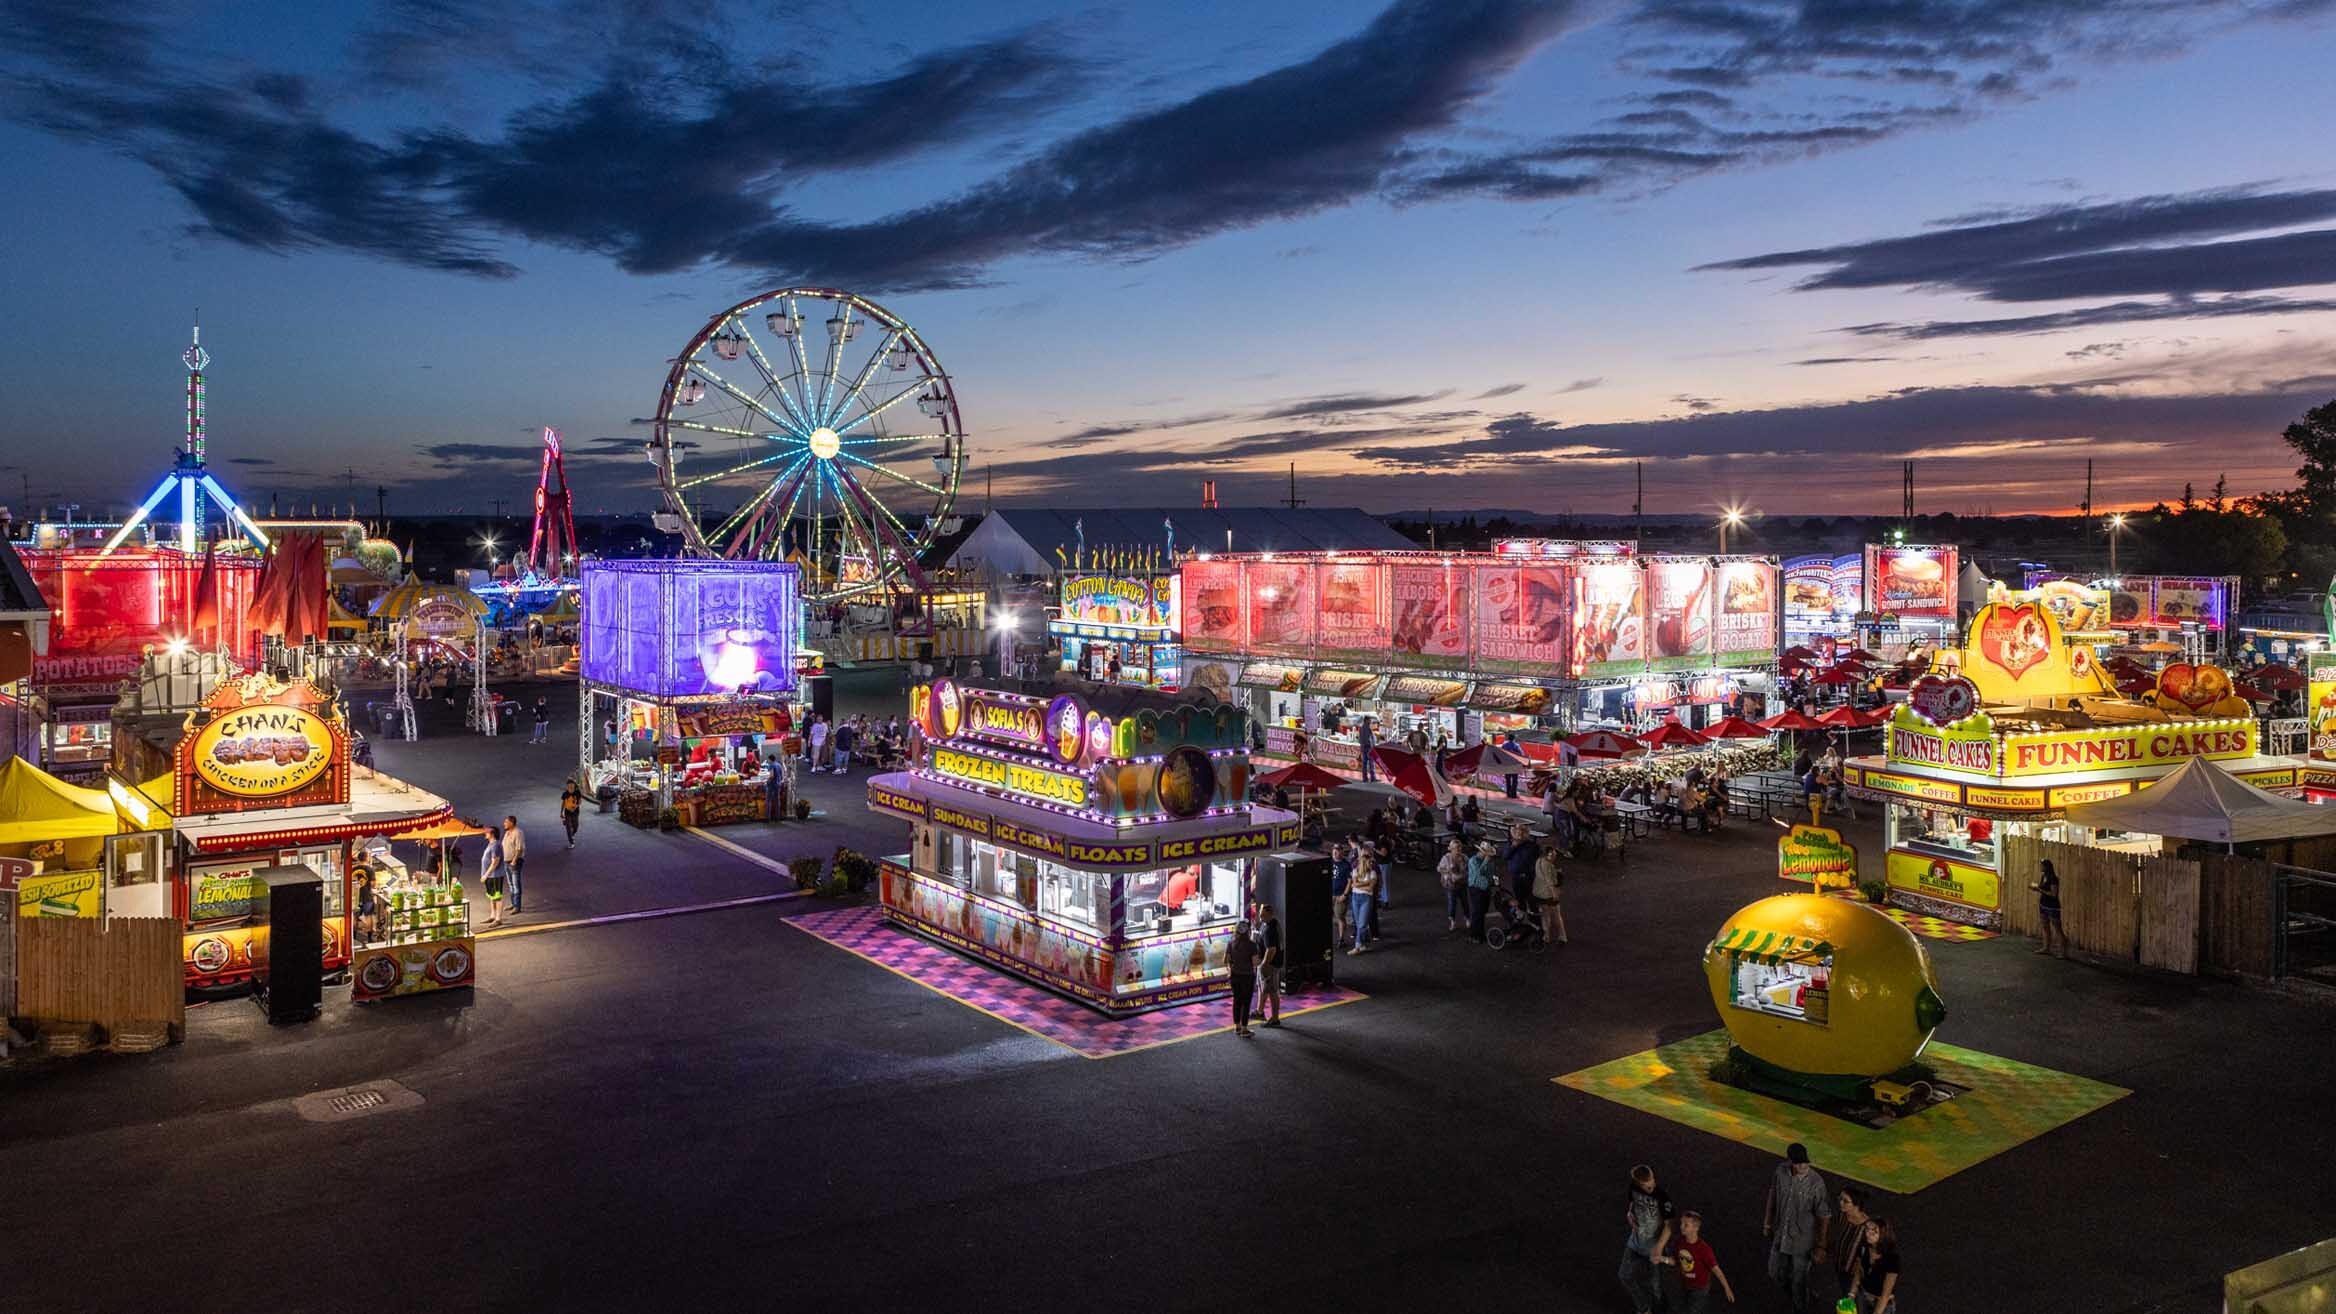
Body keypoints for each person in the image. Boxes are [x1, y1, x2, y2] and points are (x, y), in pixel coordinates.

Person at [1763, 1142, 1833, 1313]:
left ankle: (1800, 1307)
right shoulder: (1780, 1172)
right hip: (1781, 1234)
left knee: (1799, 1281)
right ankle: (1802, 1295)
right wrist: (1767, 1223)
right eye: (1798, 1163)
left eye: (1805, 1162)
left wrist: (1821, 1245)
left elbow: (1824, 1215)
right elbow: (1773, 1195)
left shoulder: (1816, 1182)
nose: (1803, 1166)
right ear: (1790, 1161)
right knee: (1775, 1273)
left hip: (1803, 1241)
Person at [1619, 1164, 1676, 1314]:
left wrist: (1659, 1247)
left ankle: (1662, 1310)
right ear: (1638, 1184)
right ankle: (1644, 1309)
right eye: (1647, 1186)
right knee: (1624, 1275)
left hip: (1653, 1247)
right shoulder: (1633, 1188)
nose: (1652, 1186)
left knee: (1655, 1286)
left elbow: (1670, 1225)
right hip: (1635, 1242)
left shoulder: (1662, 1197)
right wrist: (1629, 1214)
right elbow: (1632, 1203)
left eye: (1653, 1180)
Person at [1668, 1210, 1738, 1312]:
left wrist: (1727, 1288)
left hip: (1699, 1289)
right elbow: (1676, 1261)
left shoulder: (1704, 1249)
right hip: (1685, 1285)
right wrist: (1663, 1259)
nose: (1681, 1227)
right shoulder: (1680, 1242)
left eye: (1686, 1225)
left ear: (1696, 1228)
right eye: (1681, 1223)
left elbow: (1717, 1270)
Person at [1848, 1218, 1901, 1314]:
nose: (1868, 1234)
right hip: (1863, 1297)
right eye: (1867, 1229)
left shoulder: (1892, 1258)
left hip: (1883, 1303)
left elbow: (1885, 1293)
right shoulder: (1863, 1247)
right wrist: (1851, 1294)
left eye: (1874, 1231)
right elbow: (1858, 1271)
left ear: (1883, 1234)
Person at [1829, 1187, 1872, 1299]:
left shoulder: (1868, 1227)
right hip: (1840, 1265)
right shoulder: (1843, 1215)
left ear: (1856, 1205)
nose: (1840, 1203)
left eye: (1845, 1201)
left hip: (1853, 1273)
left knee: (1853, 1297)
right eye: (1840, 1198)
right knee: (1844, 1290)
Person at [1226, 910, 1259, 1038]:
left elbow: (1227, 960)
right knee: (1246, 1002)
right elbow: (1255, 963)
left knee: (1237, 1000)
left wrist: (1230, 970)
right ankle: (1244, 1028)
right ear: (1248, 931)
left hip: (1235, 975)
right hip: (1247, 976)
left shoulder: (1231, 943)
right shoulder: (1252, 945)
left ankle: (1237, 1026)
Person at [2031, 858, 2067, 957]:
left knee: (2057, 929)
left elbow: (2054, 894)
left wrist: (2040, 890)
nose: (2040, 867)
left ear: (2046, 867)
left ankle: (2063, 952)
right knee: (2045, 927)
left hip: (2052, 907)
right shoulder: (2044, 876)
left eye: (2042, 865)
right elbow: (2042, 887)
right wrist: (2036, 888)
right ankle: (2046, 948)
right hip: (2043, 904)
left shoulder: (2053, 878)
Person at [1533, 842, 1567, 946]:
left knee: (1545, 915)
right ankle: (1562, 935)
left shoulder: (1538, 861)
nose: (1554, 857)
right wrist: (1555, 894)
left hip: (1538, 892)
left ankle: (1546, 936)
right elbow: (1550, 881)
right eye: (1552, 855)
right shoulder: (1548, 865)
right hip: (1548, 894)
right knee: (1557, 915)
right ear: (1548, 855)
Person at [1345, 849, 1379, 954]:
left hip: (1366, 898)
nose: (1371, 864)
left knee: (1362, 924)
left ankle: (1357, 946)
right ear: (1364, 863)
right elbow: (1354, 884)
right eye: (1369, 862)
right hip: (1355, 898)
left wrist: (1358, 885)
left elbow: (1369, 888)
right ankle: (1364, 944)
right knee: (1358, 922)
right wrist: (1367, 883)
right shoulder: (1355, 871)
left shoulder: (1372, 872)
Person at [1255, 901, 1282, 1027]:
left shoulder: (1270, 930)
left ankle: (1275, 1018)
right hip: (1265, 963)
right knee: (1263, 988)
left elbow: (1271, 950)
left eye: (1263, 915)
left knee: (1272, 991)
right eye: (1260, 914)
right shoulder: (1269, 924)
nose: (1260, 917)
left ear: (1270, 914)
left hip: (1270, 965)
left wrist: (1264, 965)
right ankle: (1259, 1011)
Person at [1465, 840, 1497, 941]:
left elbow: (1492, 874)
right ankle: (1474, 935)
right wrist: (1486, 862)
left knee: (1482, 911)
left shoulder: (1490, 862)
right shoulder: (1473, 860)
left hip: (1486, 888)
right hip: (1476, 888)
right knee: (1477, 912)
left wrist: (1494, 882)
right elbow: (1478, 874)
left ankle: (1480, 933)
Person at [478, 825, 507, 928]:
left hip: (495, 875)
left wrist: (486, 875)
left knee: (497, 896)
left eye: (487, 832)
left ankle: (498, 919)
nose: (485, 833)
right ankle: (493, 915)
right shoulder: (491, 844)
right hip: (490, 876)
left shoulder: (496, 845)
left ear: (492, 834)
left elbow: (495, 862)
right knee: (491, 896)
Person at [1438, 837, 1469, 932]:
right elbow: (1439, 868)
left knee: (1465, 902)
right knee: (1452, 904)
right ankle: (1452, 921)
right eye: (1456, 848)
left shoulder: (1464, 858)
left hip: (1462, 884)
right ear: (1450, 848)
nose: (1458, 849)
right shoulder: (1446, 858)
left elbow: (1469, 870)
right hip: (1451, 886)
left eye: (1459, 847)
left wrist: (1462, 876)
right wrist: (1449, 873)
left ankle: (1467, 918)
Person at [1503, 825, 1537, 908]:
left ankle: (1532, 912)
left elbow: (1535, 859)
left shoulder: (1531, 845)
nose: (1520, 834)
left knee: (1530, 896)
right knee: (1518, 897)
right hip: (1516, 876)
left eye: (1522, 832)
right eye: (1517, 832)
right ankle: (1522, 911)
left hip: (1528, 876)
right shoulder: (1510, 844)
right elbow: (1505, 856)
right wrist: (1513, 847)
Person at [500, 815, 528, 913]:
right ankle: (513, 903)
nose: (504, 824)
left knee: (516, 884)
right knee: (510, 884)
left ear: (511, 823)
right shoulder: (507, 833)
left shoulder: (518, 833)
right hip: (506, 861)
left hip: (514, 861)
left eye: (506, 822)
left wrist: (514, 861)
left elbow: (519, 848)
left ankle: (517, 906)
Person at [354, 869, 380, 945]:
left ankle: (353, 937)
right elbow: (373, 884)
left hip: (355, 896)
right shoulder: (369, 869)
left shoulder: (353, 868)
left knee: (354, 916)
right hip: (367, 897)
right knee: (368, 916)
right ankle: (369, 938)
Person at [560, 777, 583, 848]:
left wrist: (575, 807)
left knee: (576, 827)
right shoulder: (565, 794)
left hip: (575, 812)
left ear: (574, 786)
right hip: (567, 812)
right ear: (567, 787)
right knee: (568, 827)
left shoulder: (577, 792)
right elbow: (563, 803)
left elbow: (580, 802)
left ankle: (571, 833)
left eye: (572, 787)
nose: (570, 788)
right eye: (569, 787)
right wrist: (561, 812)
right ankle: (571, 842)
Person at [1357, 717, 1377, 781]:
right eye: (1370, 720)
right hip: (1368, 747)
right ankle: (1373, 778)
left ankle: (1365, 778)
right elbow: (1368, 739)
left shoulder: (1362, 727)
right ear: (1367, 720)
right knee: (1371, 763)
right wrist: (1372, 745)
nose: (1371, 721)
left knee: (1365, 763)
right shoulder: (1367, 728)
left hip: (1364, 747)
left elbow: (1361, 739)